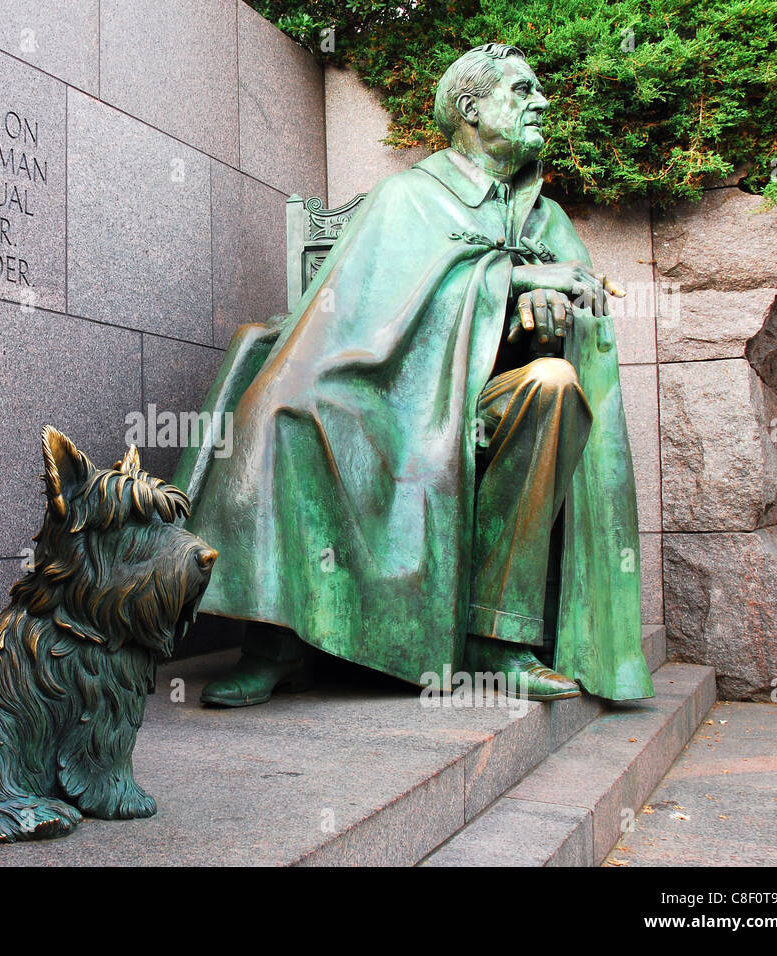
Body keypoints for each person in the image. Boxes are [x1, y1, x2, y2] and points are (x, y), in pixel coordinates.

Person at [174, 43, 653, 706]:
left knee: (555, 386)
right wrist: (509, 279)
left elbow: (587, 303)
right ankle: (276, 637)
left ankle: (497, 637)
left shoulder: (549, 219)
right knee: (284, 405)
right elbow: (351, 321)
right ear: (470, 108)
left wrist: (551, 315)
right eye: (521, 90)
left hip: (482, 404)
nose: (541, 102)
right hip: (384, 398)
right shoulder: (409, 196)